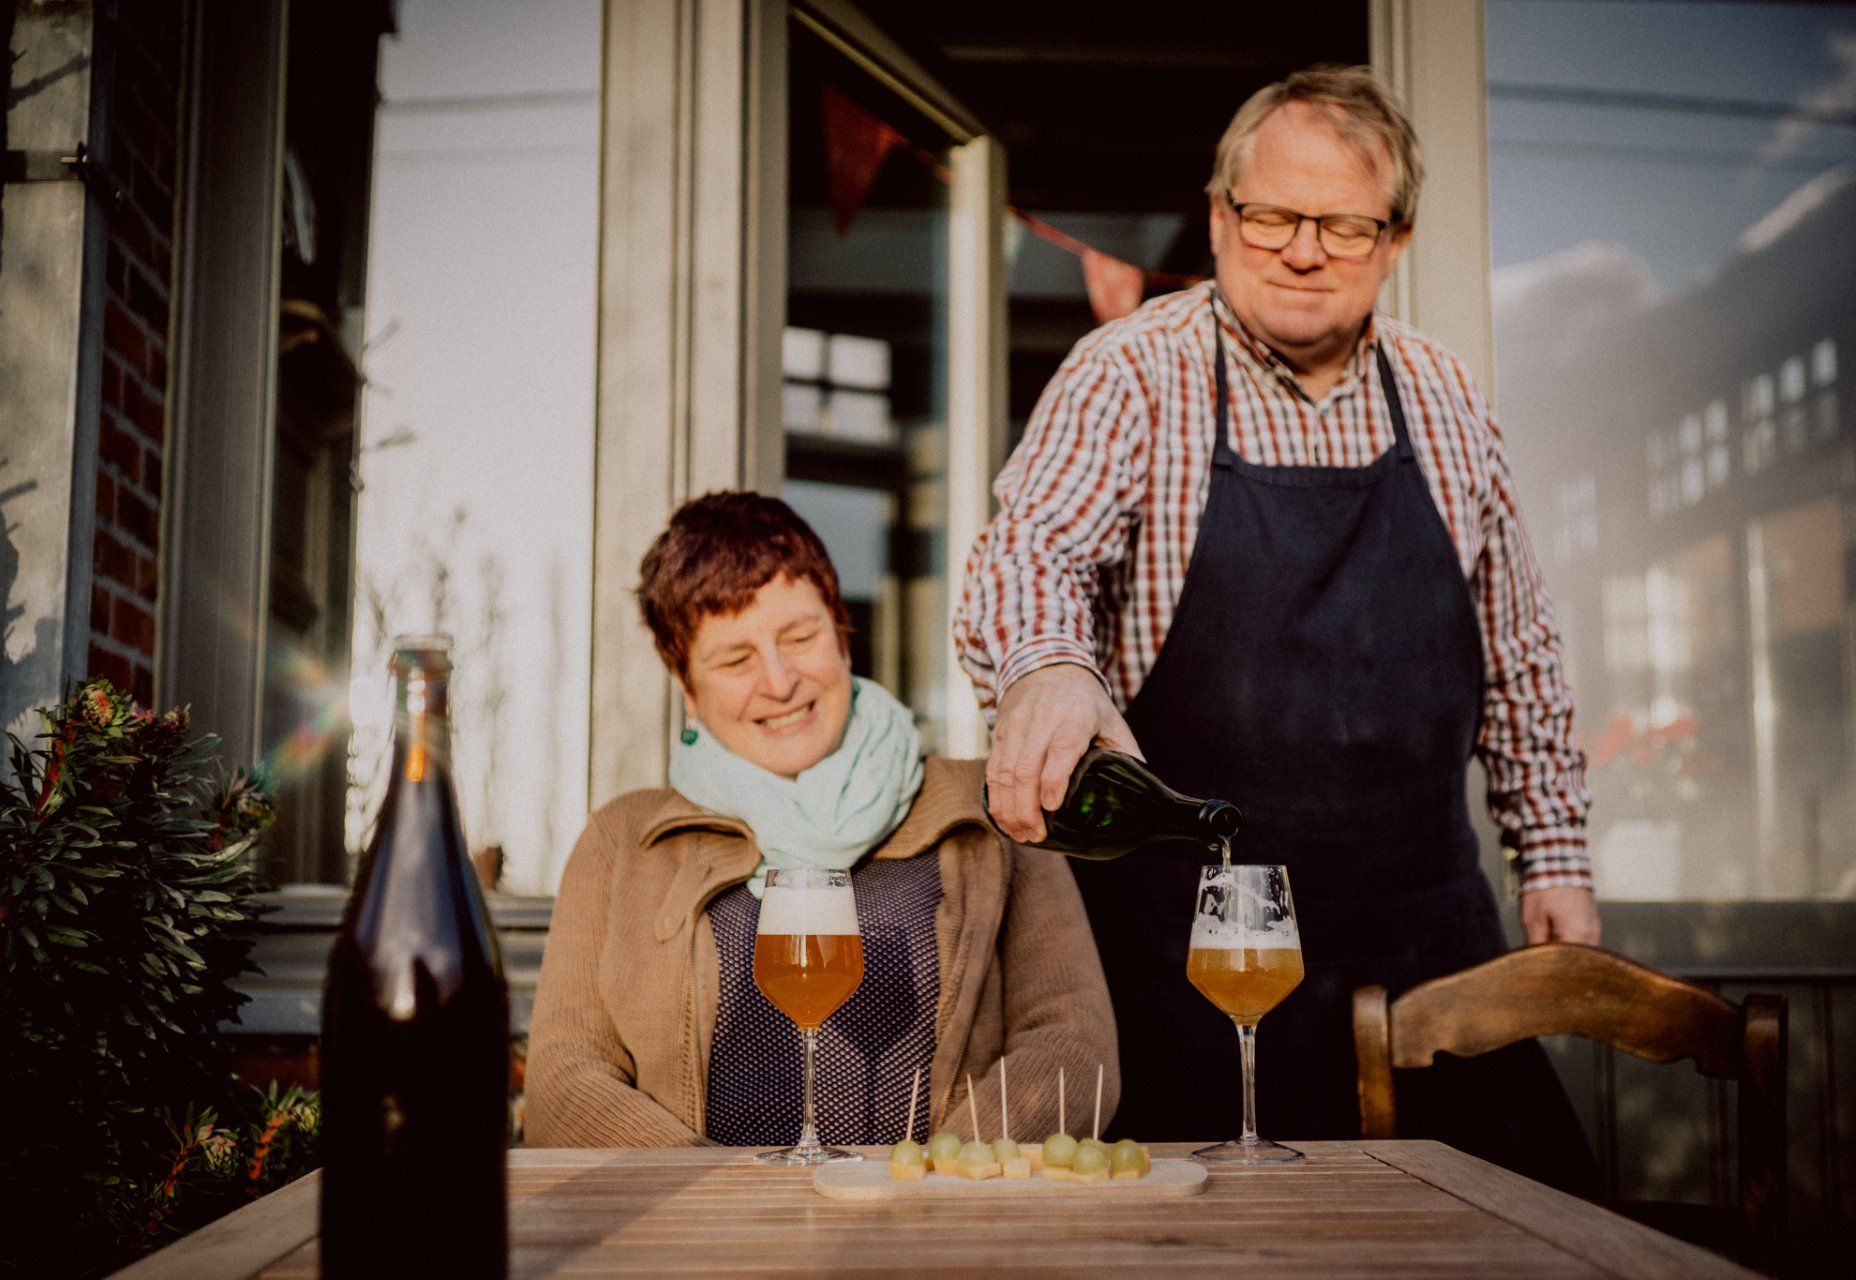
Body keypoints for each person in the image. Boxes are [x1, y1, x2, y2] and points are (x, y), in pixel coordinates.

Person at [956, 65, 1594, 1186]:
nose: (1304, 249)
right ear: (1219, 217)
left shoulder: (1444, 397)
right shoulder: (1133, 374)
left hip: (1430, 954)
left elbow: (1521, 650)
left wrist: (1555, 854)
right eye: (1272, 215)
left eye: (1343, 224)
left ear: (1393, 240)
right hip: (1193, 963)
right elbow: (1029, 552)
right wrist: (1047, 670)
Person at [527, 492, 1117, 1148]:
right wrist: (716, 1194)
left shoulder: (993, 804)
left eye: (800, 638)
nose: (779, 682)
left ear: (841, 632)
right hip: (708, 1240)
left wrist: (936, 1183)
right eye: (735, 659)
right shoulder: (623, 838)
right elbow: (563, 1080)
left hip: (938, 1232)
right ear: (688, 688)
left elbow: (1073, 1045)